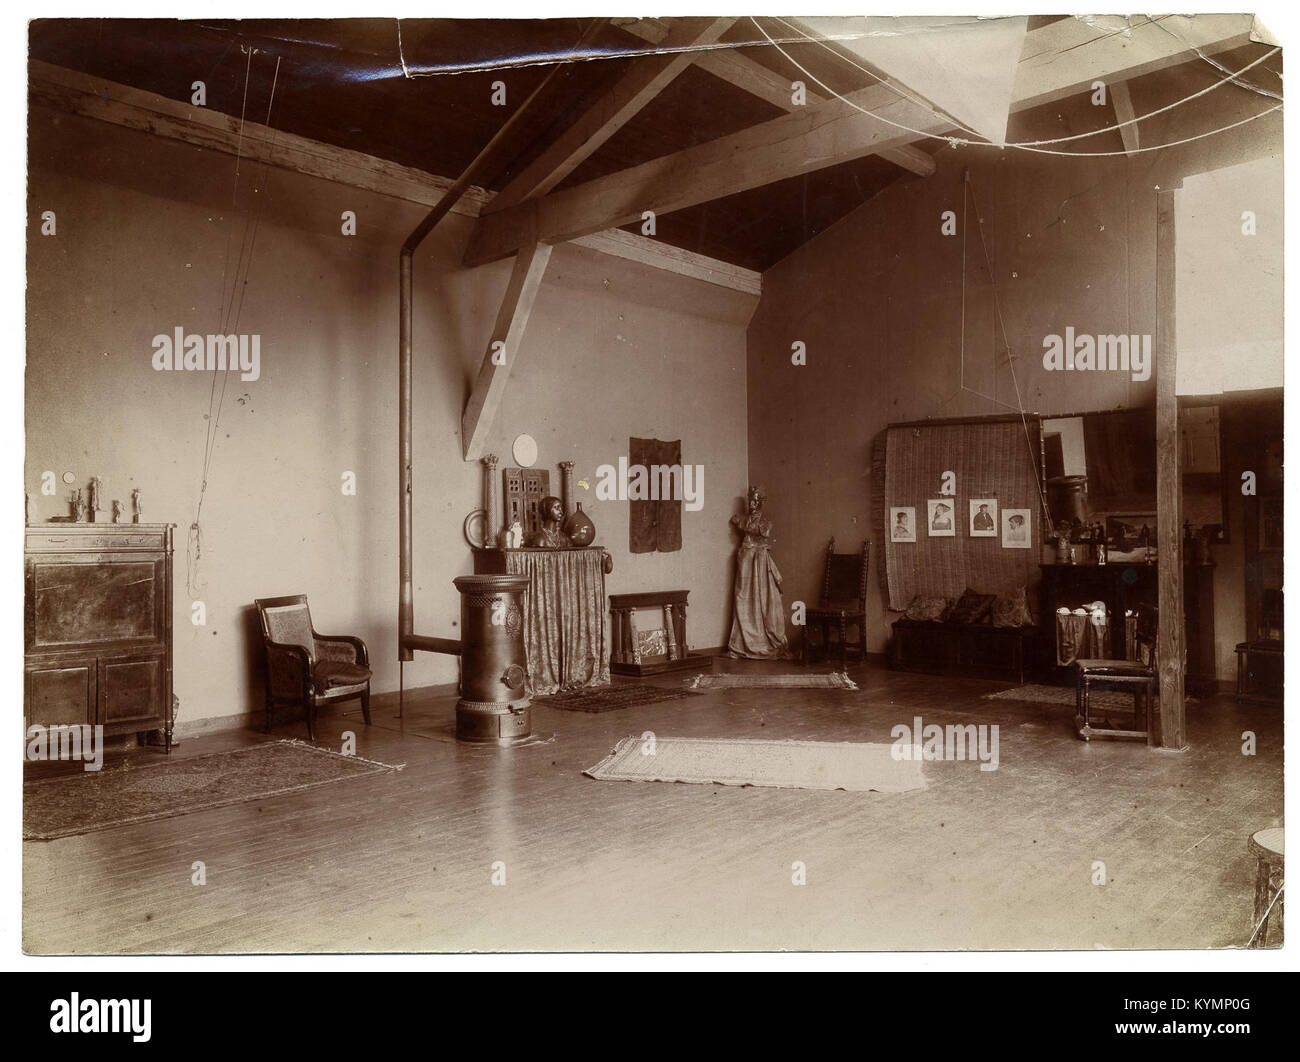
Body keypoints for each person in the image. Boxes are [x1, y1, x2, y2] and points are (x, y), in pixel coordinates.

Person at [726, 486, 789, 659]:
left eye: (755, 500)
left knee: (763, 599)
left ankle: (762, 640)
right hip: (745, 559)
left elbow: (763, 532)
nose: (752, 503)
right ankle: (742, 641)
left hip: (760, 561)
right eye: (750, 500)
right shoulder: (741, 519)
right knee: (743, 595)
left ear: (761, 502)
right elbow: (738, 521)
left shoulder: (765, 523)